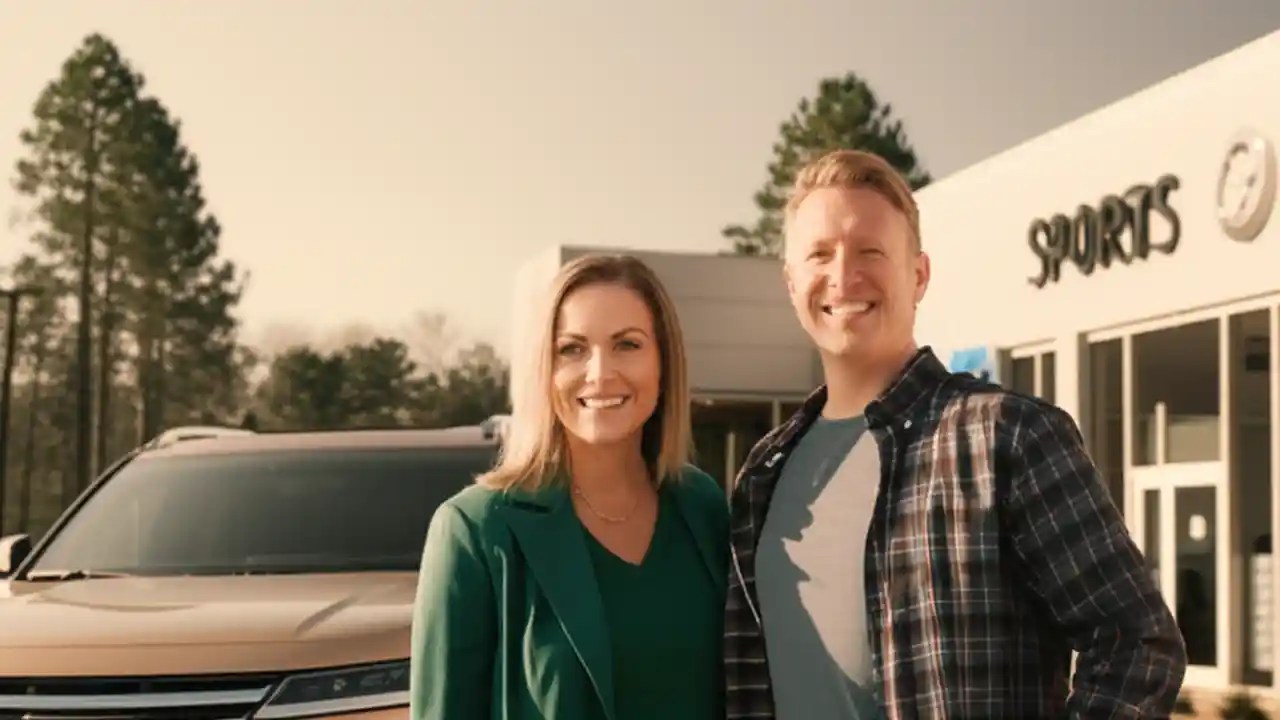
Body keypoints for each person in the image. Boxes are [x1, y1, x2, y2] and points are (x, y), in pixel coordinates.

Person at [722, 149, 1188, 719]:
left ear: (918, 276)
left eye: (870, 251)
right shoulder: (764, 472)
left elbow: (1136, 644)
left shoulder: (1006, 437)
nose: (843, 276)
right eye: (820, 255)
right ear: (792, 283)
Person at [411, 253, 729, 720]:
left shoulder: (702, 508)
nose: (600, 373)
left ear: (664, 363)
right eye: (572, 349)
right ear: (544, 368)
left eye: (627, 344)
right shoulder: (476, 531)